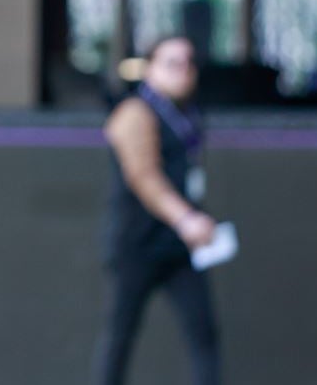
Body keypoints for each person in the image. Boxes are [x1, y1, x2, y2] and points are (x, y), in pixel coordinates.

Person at [93, 36, 221, 385]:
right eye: (172, 63)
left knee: (204, 334)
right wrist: (185, 218)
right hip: (137, 245)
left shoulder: (187, 115)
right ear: (150, 69)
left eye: (189, 63)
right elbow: (143, 175)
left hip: (179, 249)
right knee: (119, 338)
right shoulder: (134, 112)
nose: (183, 71)